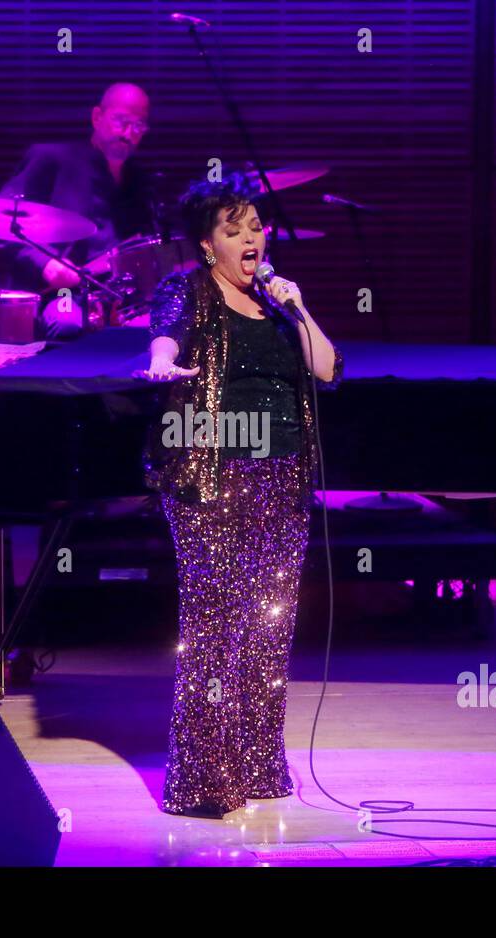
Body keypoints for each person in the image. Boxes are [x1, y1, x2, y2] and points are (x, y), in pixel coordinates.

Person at [135, 172, 343, 817]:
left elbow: (328, 369)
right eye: (234, 229)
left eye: (256, 226)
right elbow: (166, 330)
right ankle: (200, 780)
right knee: (215, 625)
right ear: (207, 245)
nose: (250, 237)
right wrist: (163, 360)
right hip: (211, 473)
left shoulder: (280, 305)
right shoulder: (188, 288)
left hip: (283, 477)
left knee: (267, 626)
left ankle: (255, 765)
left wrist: (300, 306)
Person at [0, 82, 154, 339]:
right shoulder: (52, 160)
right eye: (121, 121)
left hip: (120, 295)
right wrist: (45, 264)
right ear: (97, 117)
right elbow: (3, 223)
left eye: (138, 126)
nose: (128, 133)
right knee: (68, 322)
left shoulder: (139, 178)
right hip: (62, 293)